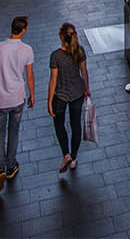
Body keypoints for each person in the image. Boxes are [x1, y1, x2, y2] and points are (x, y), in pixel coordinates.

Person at [0, 16, 35, 192]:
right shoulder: (27, 50)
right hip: (17, 98)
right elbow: (30, 76)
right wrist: (32, 94)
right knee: (14, 132)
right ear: (23, 30)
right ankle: (11, 165)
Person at [48, 23, 90, 175]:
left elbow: (53, 80)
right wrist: (87, 88)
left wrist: (49, 100)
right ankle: (73, 158)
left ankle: (65, 154)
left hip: (60, 94)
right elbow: (84, 72)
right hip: (77, 93)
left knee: (59, 125)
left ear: (61, 37)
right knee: (75, 125)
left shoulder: (55, 56)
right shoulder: (79, 51)